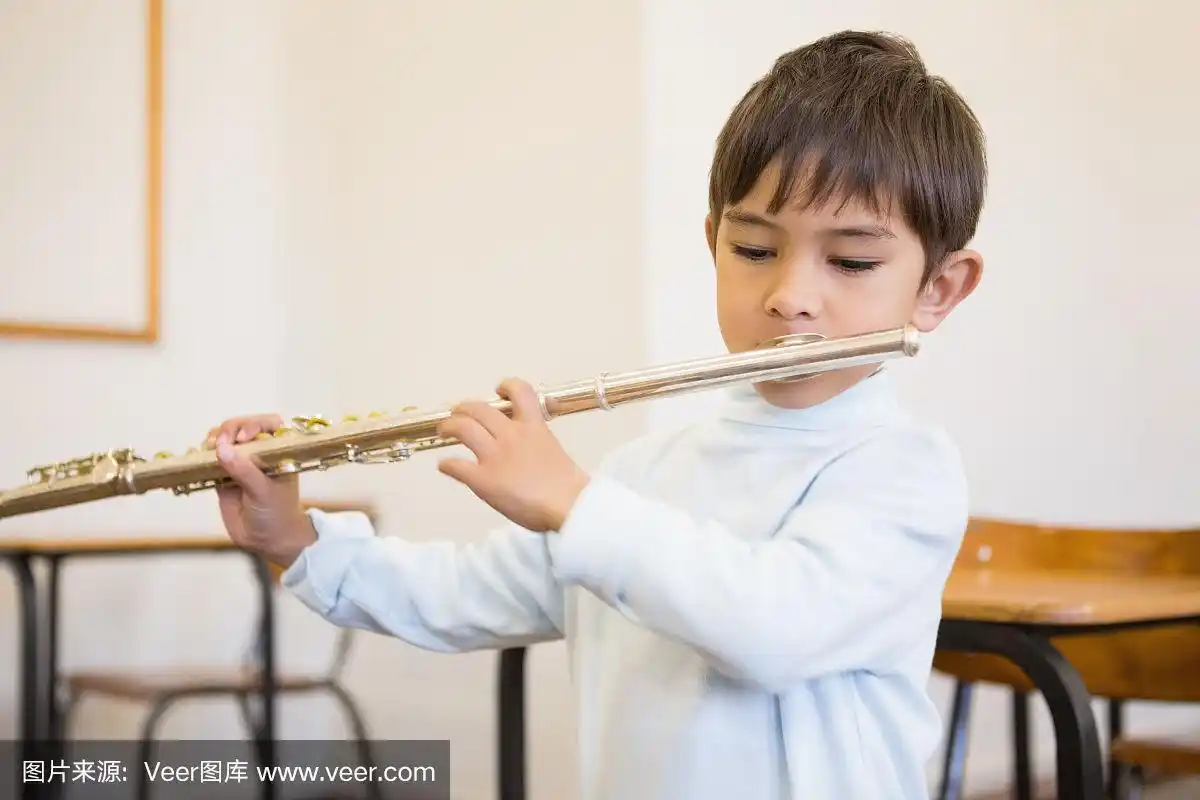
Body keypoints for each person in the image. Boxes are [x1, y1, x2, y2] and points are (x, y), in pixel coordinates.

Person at [206, 29, 986, 800]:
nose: (790, 297)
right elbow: (461, 593)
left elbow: (773, 628)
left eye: (851, 261)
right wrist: (296, 539)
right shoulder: (643, 475)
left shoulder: (903, 472)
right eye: (754, 250)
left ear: (939, 289)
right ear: (714, 242)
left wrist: (574, 502)